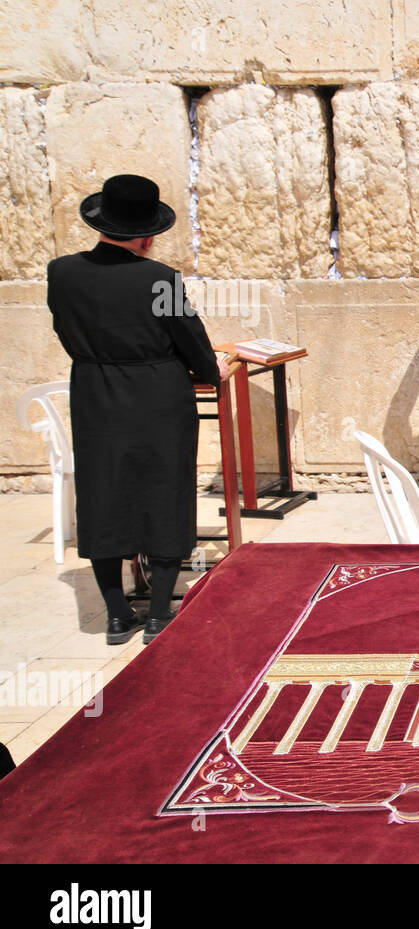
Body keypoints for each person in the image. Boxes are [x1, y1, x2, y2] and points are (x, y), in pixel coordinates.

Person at [48, 174, 229, 645]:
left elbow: (65, 332)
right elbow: (190, 338)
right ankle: (157, 616)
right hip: (158, 397)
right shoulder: (162, 279)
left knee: (103, 494)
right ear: (148, 236)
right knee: (164, 492)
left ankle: (115, 615)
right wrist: (214, 371)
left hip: (95, 392)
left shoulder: (60, 272)